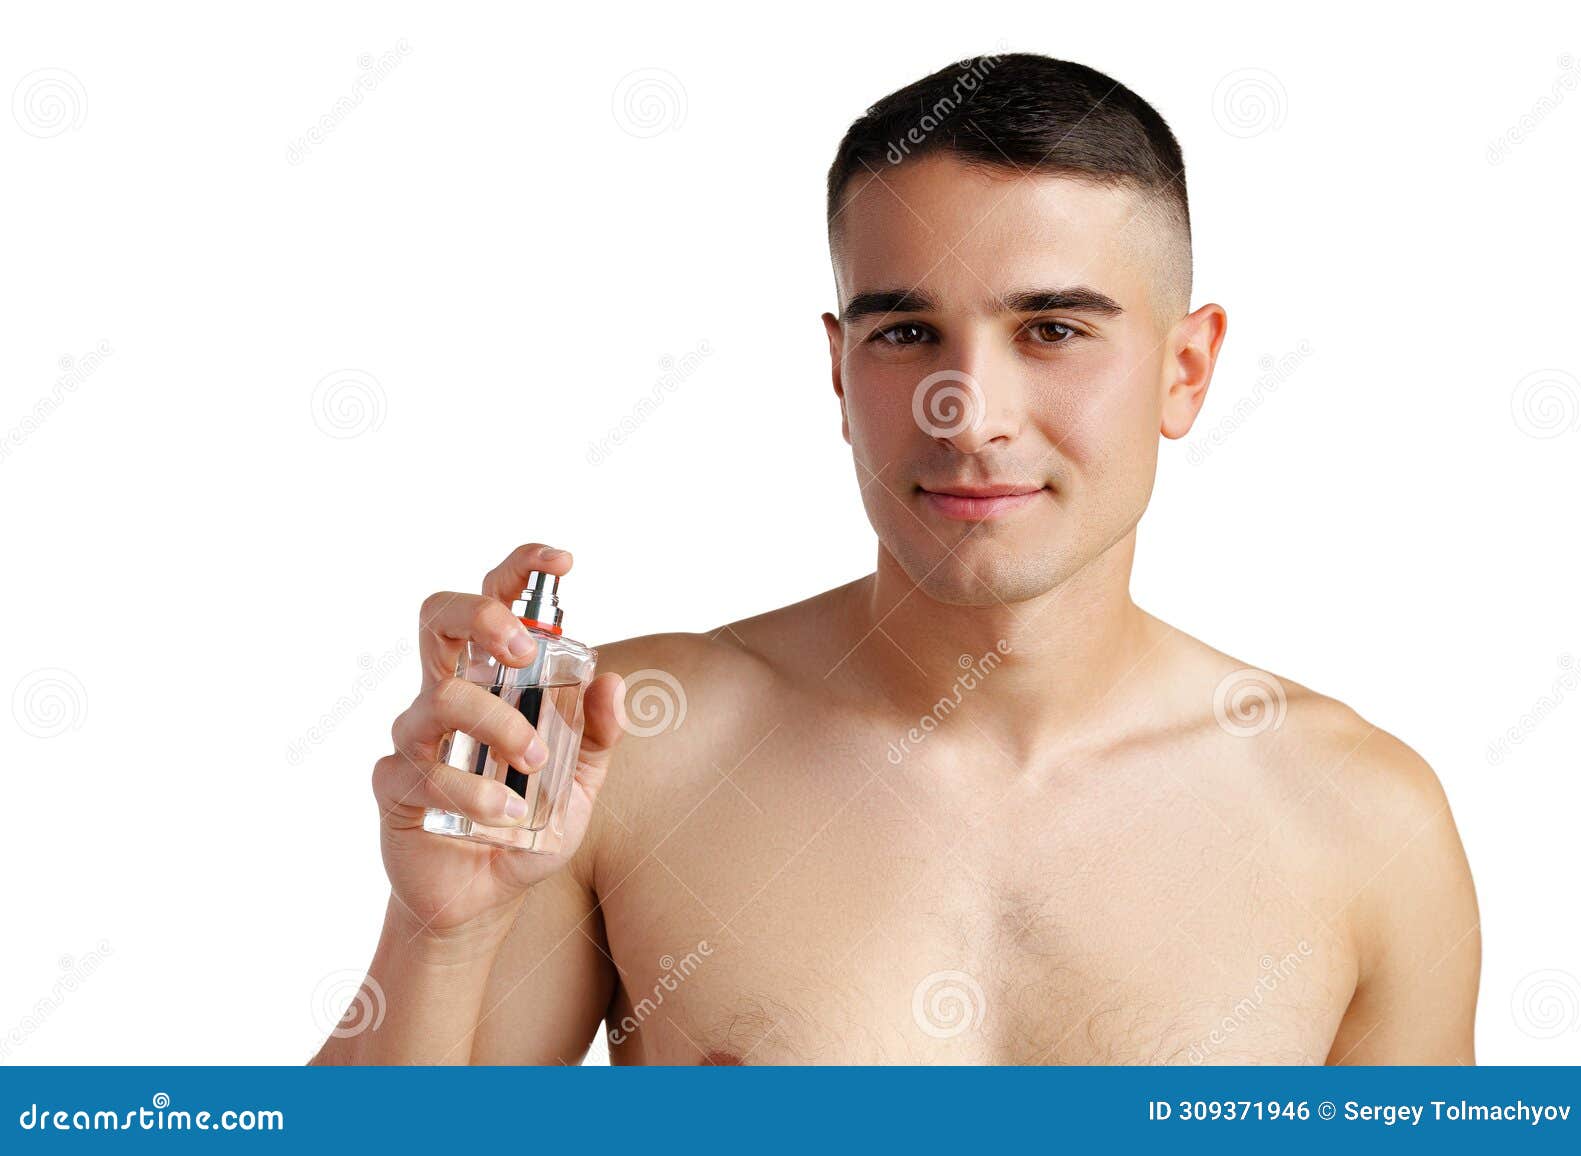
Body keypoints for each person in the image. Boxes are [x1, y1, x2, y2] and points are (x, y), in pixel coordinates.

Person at [314, 53, 1479, 1065]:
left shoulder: (1363, 825)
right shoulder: (630, 750)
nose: (967, 412)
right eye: (907, 332)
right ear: (838, 370)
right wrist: (439, 934)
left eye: (1052, 330)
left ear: (1186, 369)